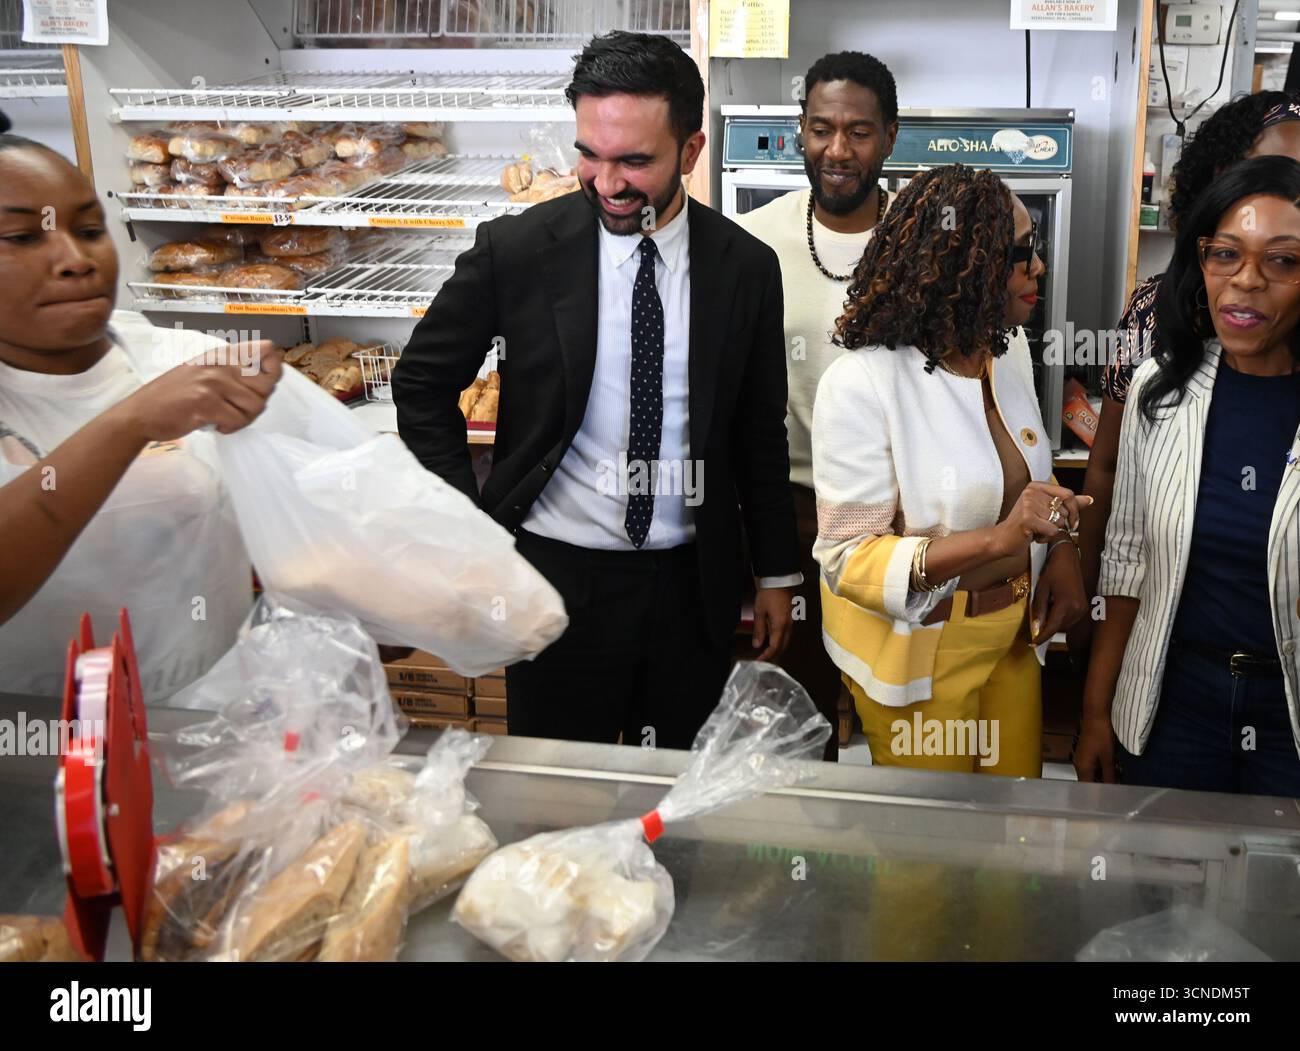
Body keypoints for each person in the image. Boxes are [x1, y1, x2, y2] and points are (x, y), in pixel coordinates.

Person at [392, 32, 800, 749]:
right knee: (554, 815)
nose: (607, 183)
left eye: (635, 161)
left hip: (690, 587)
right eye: (590, 154)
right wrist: (469, 528)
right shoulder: (515, 251)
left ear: (692, 151)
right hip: (554, 581)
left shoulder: (745, 268)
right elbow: (422, 383)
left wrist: (775, 572)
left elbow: (757, 429)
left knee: (671, 811)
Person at [812, 164, 1090, 777]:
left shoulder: (1004, 350)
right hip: (920, 652)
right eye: (1021, 254)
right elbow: (848, 559)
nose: (1037, 267)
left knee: (1011, 841)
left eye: (1034, 247)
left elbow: (1026, 482)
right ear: (967, 265)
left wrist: (1062, 551)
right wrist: (998, 539)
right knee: (932, 863)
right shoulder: (861, 384)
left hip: (1014, 638)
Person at [0, 134, 287, 700]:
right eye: (22, 237)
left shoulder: (186, 362)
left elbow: (298, 528)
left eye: (88, 230)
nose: (76, 261)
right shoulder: (161, 395)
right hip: (30, 747)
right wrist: (130, 423)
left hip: (212, 722)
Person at [1076, 156, 1300, 795]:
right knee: (1160, 888)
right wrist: (1096, 713)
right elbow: (1125, 564)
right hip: (1175, 707)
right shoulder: (1161, 392)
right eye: (1224, 254)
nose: (1246, 281)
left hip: (1289, 721)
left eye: (1283, 261)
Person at [735, 50, 900, 761]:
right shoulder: (753, 241)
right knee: (793, 731)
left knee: (902, 726)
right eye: (822, 128)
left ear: (890, 137)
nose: (838, 150)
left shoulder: (924, 243)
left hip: (903, 526)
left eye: (859, 132)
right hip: (789, 515)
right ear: (800, 131)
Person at [1077, 91, 1300, 613]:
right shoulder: (1156, 309)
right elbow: (1108, 467)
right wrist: (1090, 595)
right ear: (1226, 177)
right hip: (1158, 610)